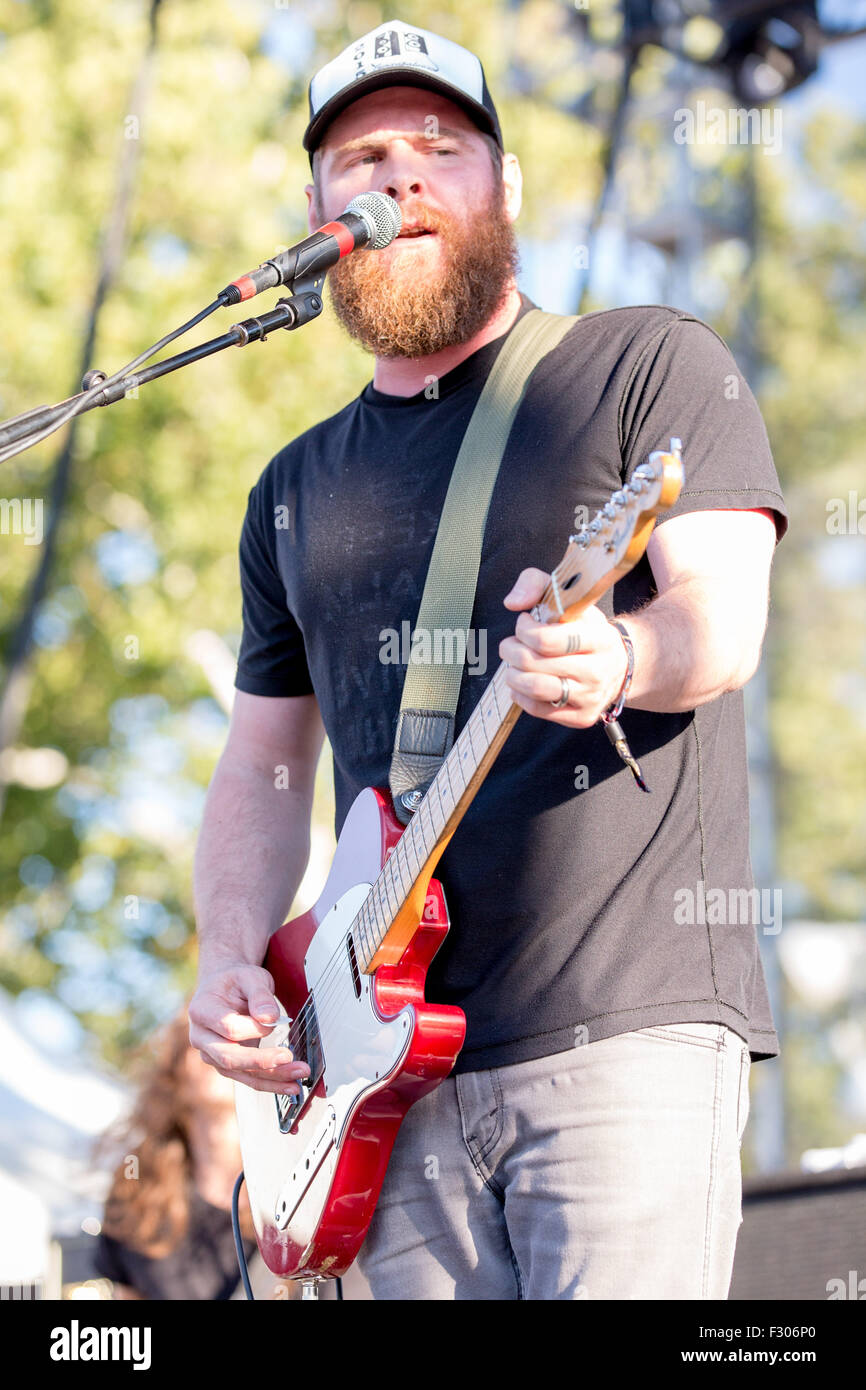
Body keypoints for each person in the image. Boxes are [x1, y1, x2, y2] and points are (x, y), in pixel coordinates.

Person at [189, 20, 788, 1300]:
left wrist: (617, 652)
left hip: (618, 1034)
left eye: (437, 149)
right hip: (375, 1086)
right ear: (315, 210)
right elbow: (262, 765)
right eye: (362, 158)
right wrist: (233, 952)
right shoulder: (290, 489)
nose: (397, 180)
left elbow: (718, 626)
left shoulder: (640, 364)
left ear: (502, 189)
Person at [93, 1008, 263, 1300]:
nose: (224, 1050)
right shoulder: (135, 1188)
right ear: (175, 1075)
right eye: (208, 1038)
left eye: (238, 1039)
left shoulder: (300, 1175)